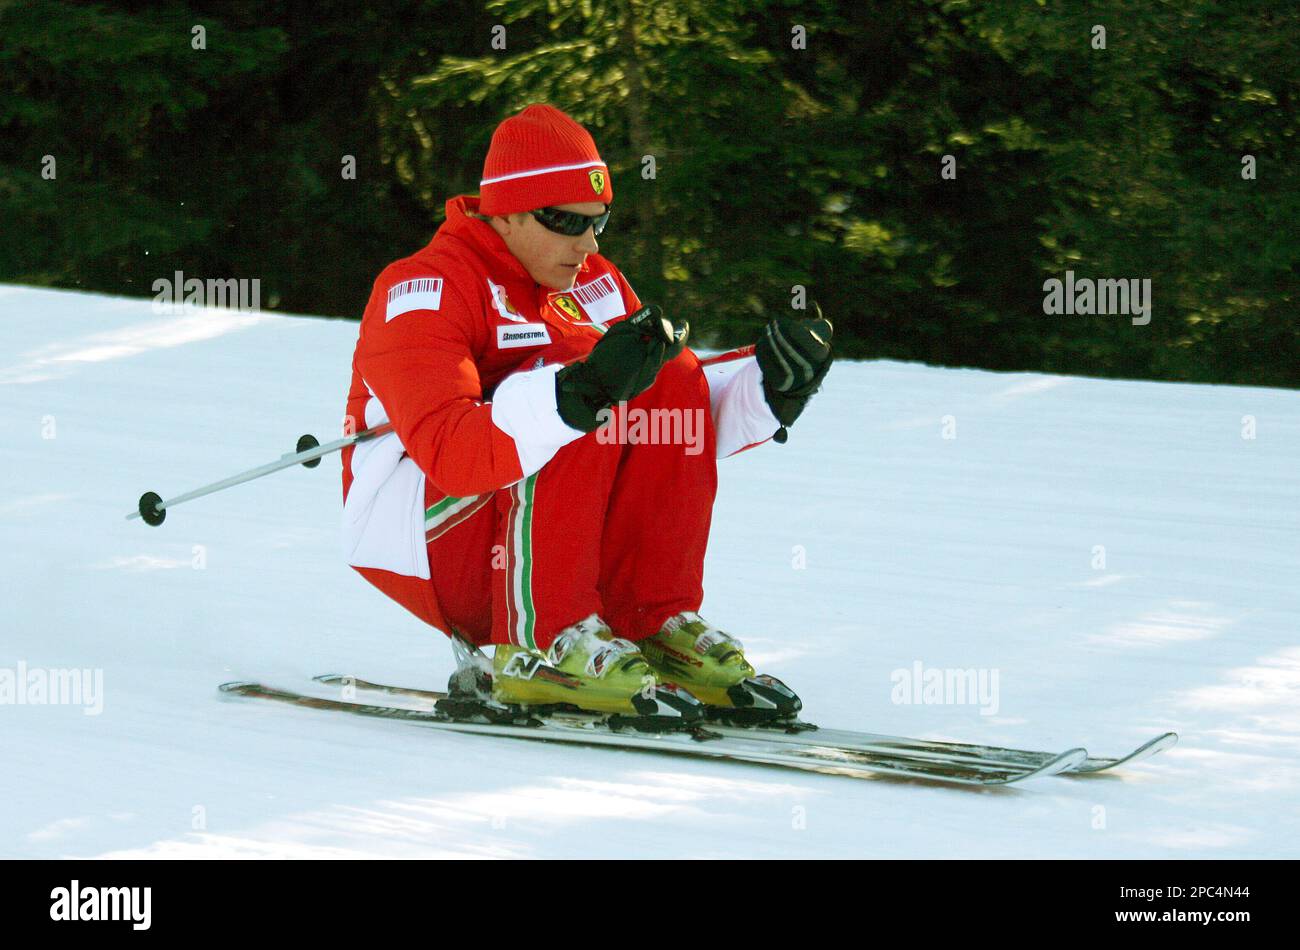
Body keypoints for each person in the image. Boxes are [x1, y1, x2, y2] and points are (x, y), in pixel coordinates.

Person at [341, 103, 831, 719]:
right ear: (509, 210)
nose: (587, 244)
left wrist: (766, 388)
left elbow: (657, 423)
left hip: (546, 536)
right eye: (567, 222)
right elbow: (452, 451)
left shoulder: (590, 280)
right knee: (576, 386)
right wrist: (572, 397)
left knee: (669, 372)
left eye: (599, 222)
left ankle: (647, 621)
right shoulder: (425, 289)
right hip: (436, 540)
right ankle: (541, 641)